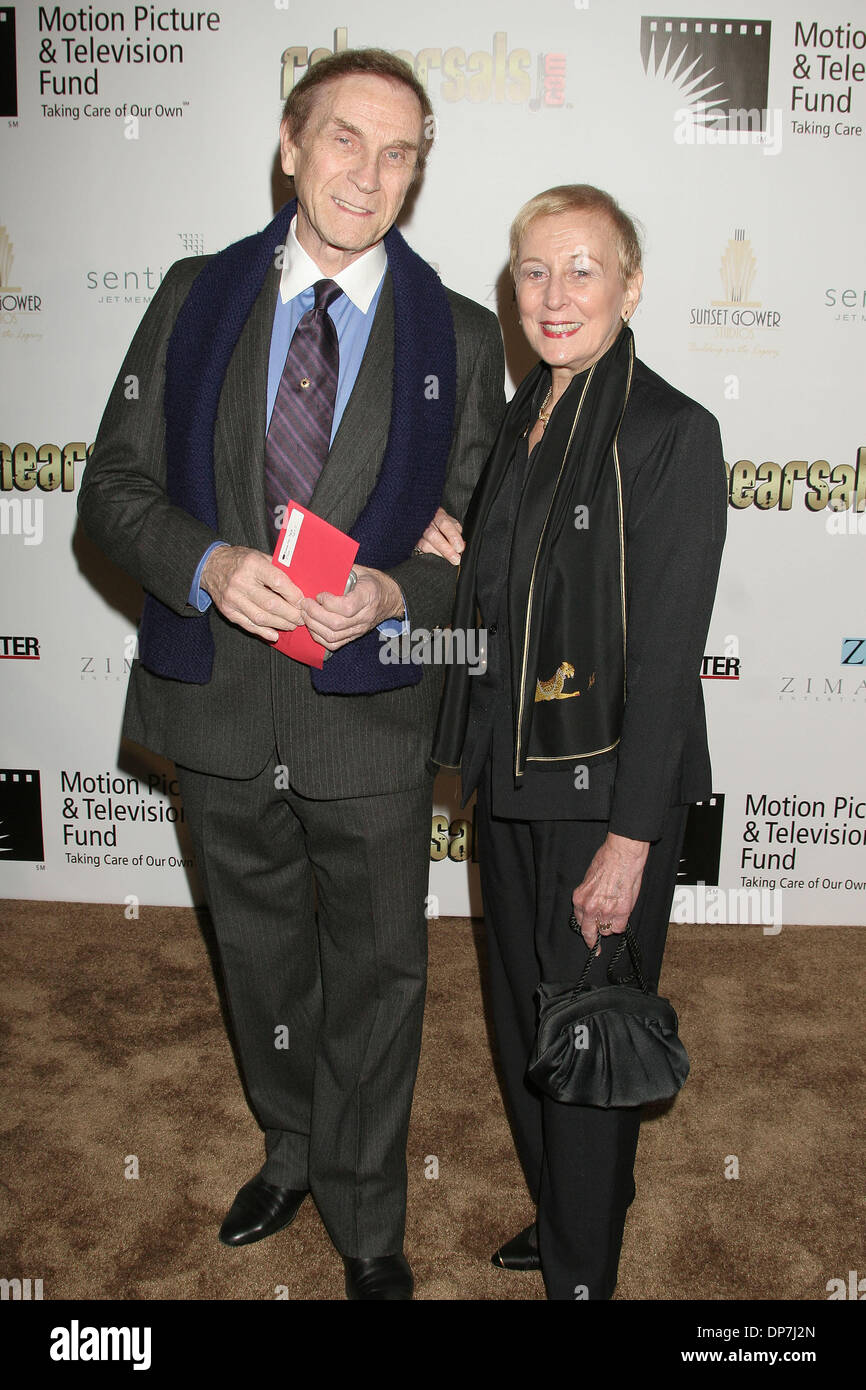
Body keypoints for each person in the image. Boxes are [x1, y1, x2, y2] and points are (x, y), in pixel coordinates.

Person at [77, 49, 504, 1301]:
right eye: (343, 140)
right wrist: (206, 560)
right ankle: (292, 1146)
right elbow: (112, 484)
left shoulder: (462, 338)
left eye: (398, 151)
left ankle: (368, 1215)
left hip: (367, 714)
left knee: (379, 967)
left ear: (419, 170)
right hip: (216, 699)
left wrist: (393, 591)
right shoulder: (193, 295)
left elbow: (476, 546)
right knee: (258, 958)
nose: (367, 173)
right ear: (288, 143)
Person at [422, 185, 727, 1300]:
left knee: (588, 1042)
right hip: (504, 783)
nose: (553, 295)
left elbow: (662, 664)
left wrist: (630, 841)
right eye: (533, 271)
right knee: (520, 1028)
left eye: (580, 269)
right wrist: (468, 561)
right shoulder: (526, 413)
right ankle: (566, 1212)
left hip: (599, 802)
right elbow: (522, 591)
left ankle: (580, 1275)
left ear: (629, 285)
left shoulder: (667, 432)